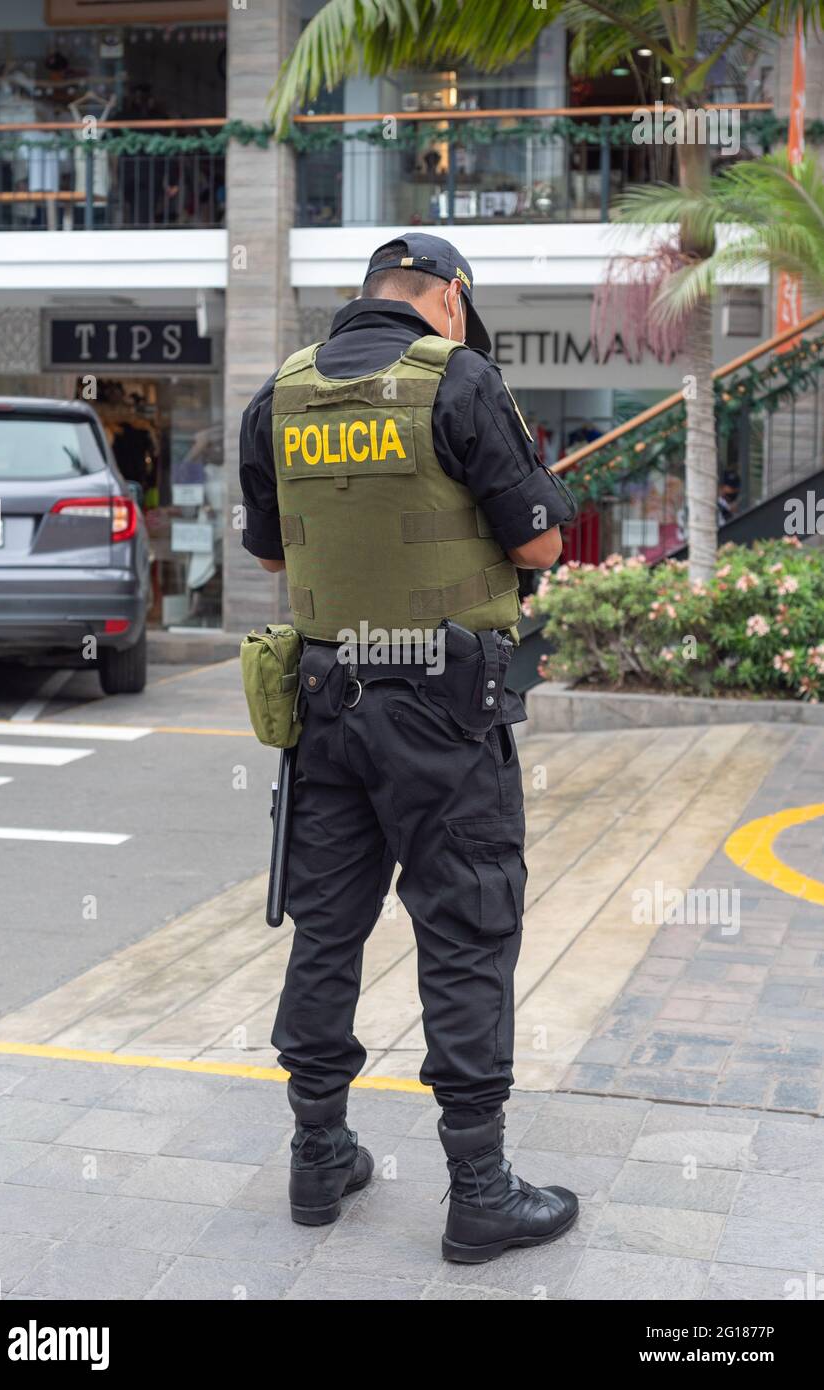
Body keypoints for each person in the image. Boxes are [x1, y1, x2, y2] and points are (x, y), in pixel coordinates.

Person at [239, 232, 580, 1264]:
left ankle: (316, 1155)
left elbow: (269, 550)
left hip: (324, 700)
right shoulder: (459, 378)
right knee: (467, 926)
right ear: (447, 298)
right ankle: (478, 1190)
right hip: (442, 707)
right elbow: (539, 545)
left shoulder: (279, 394)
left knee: (326, 927)